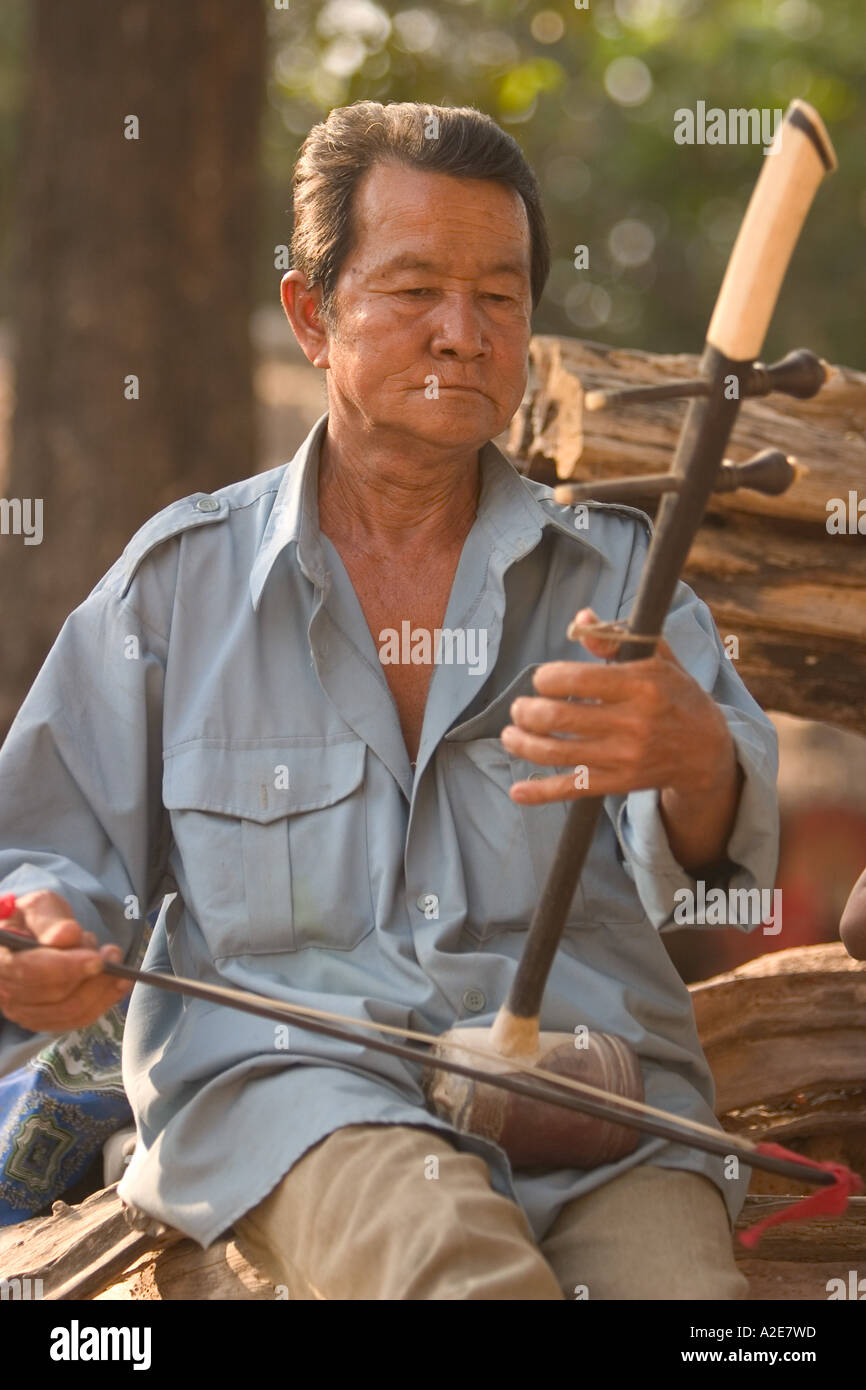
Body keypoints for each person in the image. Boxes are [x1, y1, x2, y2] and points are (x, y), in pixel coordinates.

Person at [0, 101, 779, 1300]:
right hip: (303, 1095)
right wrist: (45, 937)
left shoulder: (622, 575)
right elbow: (40, 855)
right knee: (457, 1275)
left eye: (500, 296)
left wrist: (694, 763)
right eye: (415, 289)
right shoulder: (178, 585)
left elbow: (722, 882)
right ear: (312, 315)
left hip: (591, 1110)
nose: (462, 334)